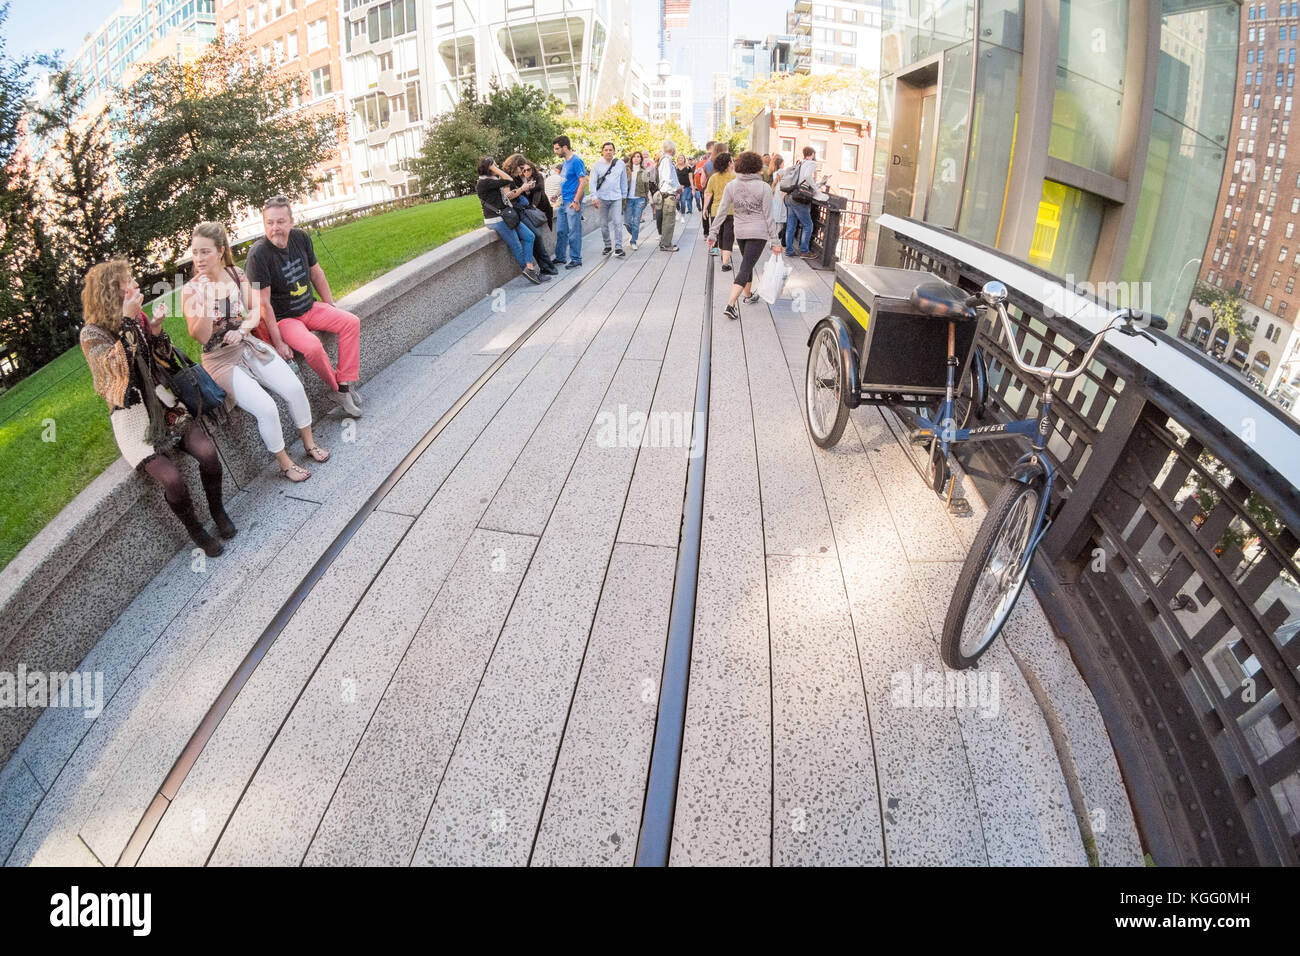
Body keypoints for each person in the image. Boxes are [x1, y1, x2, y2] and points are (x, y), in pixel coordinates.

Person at [80, 260, 232, 557]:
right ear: (113, 291)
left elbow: (160, 358)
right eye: (130, 282)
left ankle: (218, 513)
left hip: (163, 403)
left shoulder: (136, 317)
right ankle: (197, 532)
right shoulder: (92, 334)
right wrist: (127, 323)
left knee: (208, 454)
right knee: (172, 480)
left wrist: (157, 331)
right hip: (133, 417)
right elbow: (113, 374)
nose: (136, 285)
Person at [185, 222, 327, 484]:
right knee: (266, 407)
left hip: (248, 344)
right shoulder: (190, 290)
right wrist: (206, 298)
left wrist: (243, 331)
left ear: (220, 250)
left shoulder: (236, 273)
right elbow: (201, 336)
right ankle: (285, 463)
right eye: (195, 253)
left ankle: (309, 444)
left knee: (294, 387)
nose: (199, 258)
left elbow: (253, 311)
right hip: (220, 361)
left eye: (205, 252)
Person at [244, 196, 363, 417]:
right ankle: (338, 390)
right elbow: (264, 305)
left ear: (291, 222)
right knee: (313, 347)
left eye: (280, 222)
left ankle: (345, 381)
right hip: (284, 319)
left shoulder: (300, 238)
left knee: (350, 322)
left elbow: (316, 273)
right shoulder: (258, 255)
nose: (275, 228)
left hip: (310, 306)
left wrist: (330, 305)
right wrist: (278, 341)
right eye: (269, 223)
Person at [707, 151, 783, 321]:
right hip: (758, 233)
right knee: (746, 266)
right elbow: (769, 217)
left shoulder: (731, 186)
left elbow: (722, 212)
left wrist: (713, 233)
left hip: (740, 231)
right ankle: (730, 304)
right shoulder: (764, 187)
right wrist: (775, 241)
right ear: (756, 167)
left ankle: (747, 296)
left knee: (747, 263)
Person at [474, 157, 546, 283]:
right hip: (497, 219)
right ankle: (531, 273)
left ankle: (529, 268)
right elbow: (508, 179)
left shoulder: (491, 180)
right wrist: (493, 168)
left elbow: (504, 191)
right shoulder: (484, 183)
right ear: (489, 168)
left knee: (529, 236)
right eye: (494, 166)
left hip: (507, 216)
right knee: (517, 246)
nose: (497, 167)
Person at [502, 153, 560, 274]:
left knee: (536, 236)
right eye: (521, 168)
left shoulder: (516, 176)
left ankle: (546, 266)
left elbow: (521, 191)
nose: (523, 171)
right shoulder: (505, 176)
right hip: (516, 212)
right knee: (535, 236)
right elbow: (508, 196)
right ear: (515, 165)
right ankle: (546, 266)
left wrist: (525, 186)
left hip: (522, 210)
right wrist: (522, 188)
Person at [551, 135, 587, 269]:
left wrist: (576, 201)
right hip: (563, 202)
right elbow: (564, 182)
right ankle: (560, 257)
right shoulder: (565, 163)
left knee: (574, 232)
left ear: (565, 147)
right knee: (561, 231)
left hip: (572, 202)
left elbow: (583, 181)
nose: (555, 151)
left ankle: (576, 259)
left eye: (557, 149)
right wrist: (556, 195)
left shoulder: (576, 161)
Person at [590, 141, 627, 258]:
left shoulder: (620, 164)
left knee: (617, 223)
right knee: (603, 224)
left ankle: (618, 247)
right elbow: (592, 182)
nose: (608, 152)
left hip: (616, 198)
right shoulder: (597, 165)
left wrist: (624, 196)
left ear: (614, 151)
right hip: (602, 199)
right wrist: (594, 197)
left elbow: (623, 181)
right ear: (602, 151)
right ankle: (607, 245)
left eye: (610, 150)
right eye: (606, 150)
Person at [782, 145, 820, 258]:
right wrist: (816, 188)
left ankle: (789, 250)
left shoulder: (800, 163)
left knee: (791, 225)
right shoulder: (812, 163)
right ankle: (804, 250)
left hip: (790, 196)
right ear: (812, 154)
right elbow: (808, 176)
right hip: (799, 198)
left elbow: (791, 174)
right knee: (808, 225)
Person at [703, 151, 736, 272]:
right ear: (728, 163)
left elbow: (708, 195)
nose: (733, 163)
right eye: (732, 161)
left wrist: (704, 209)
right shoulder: (735, 177)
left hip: (716, 211)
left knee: (719, 233)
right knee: (728, 236)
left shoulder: (713, 177)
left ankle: (718, 252)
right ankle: (725, 262)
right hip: (731, 211)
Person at [657, 140, 683, 251]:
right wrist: (676, 189)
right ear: (672, 149)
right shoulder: (667, 161)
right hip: (668, 194)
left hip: (667, 193)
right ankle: (666, 244)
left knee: (666, 219)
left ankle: (664, 242)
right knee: (669, 220)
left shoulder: (664, 160)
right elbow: (667, 179)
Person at [624, 149, 649, 250]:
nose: (636, 158)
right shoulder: (626, 170)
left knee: (636, 221)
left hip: (639, 199)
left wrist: (646, 199)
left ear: (641, 159)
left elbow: (647, 186)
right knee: (627, 222)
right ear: (631, 158)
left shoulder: (644, 172)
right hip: (628, 199)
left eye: (638, 157)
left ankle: (633, 241)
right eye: (635, 156)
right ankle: (634, 232)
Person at [770, 153, 788, 239]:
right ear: (780, 164)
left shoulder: (775, 173)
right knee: (780, 223)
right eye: (783, 163)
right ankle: (774, 239)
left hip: (776, 196)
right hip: (781, 196)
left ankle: (773, 239)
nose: (784, 165)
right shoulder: (781, 171)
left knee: (777, 223)